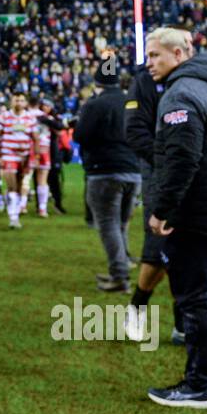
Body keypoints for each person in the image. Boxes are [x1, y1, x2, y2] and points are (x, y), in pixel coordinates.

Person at [143, 28, 207, 409]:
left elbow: (181, 160)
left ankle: (197, 385)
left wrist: (163, 210)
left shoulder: (180, 94)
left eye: (154, 55)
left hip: (194, 213)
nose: (148, 63)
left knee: (195, 299)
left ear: (178, 53)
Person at [123, 39, 185, 345]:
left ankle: (183, 321)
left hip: (191, 172)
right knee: (159, 241)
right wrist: (164, 162)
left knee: (188, 247)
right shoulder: (144, 82)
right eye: (148, 55)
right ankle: (137, 306)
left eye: (154, 55)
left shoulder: (192, 82)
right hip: (160, 173)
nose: (149, 61)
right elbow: (134, 131)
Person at [73, 62, 140, 294]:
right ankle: (120, 269)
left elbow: (81, 135)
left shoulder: (95, 104)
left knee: (108, 225)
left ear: (97, 82)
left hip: (104, 170)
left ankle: (120, 276)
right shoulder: (131, 102)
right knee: (120, 224)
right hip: (133, 170)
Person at [0, 92, 32, 228]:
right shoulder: (3, 117)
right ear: (11, 102)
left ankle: (16, 210)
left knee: (20, 185)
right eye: (16, 100)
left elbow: (35, 137)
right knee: (11, 185)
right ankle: (13, 217)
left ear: (25, 103)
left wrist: (36, 156)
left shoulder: (30, 117)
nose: (19, 103)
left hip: (25, 156)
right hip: (8, 155)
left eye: (21, 101)